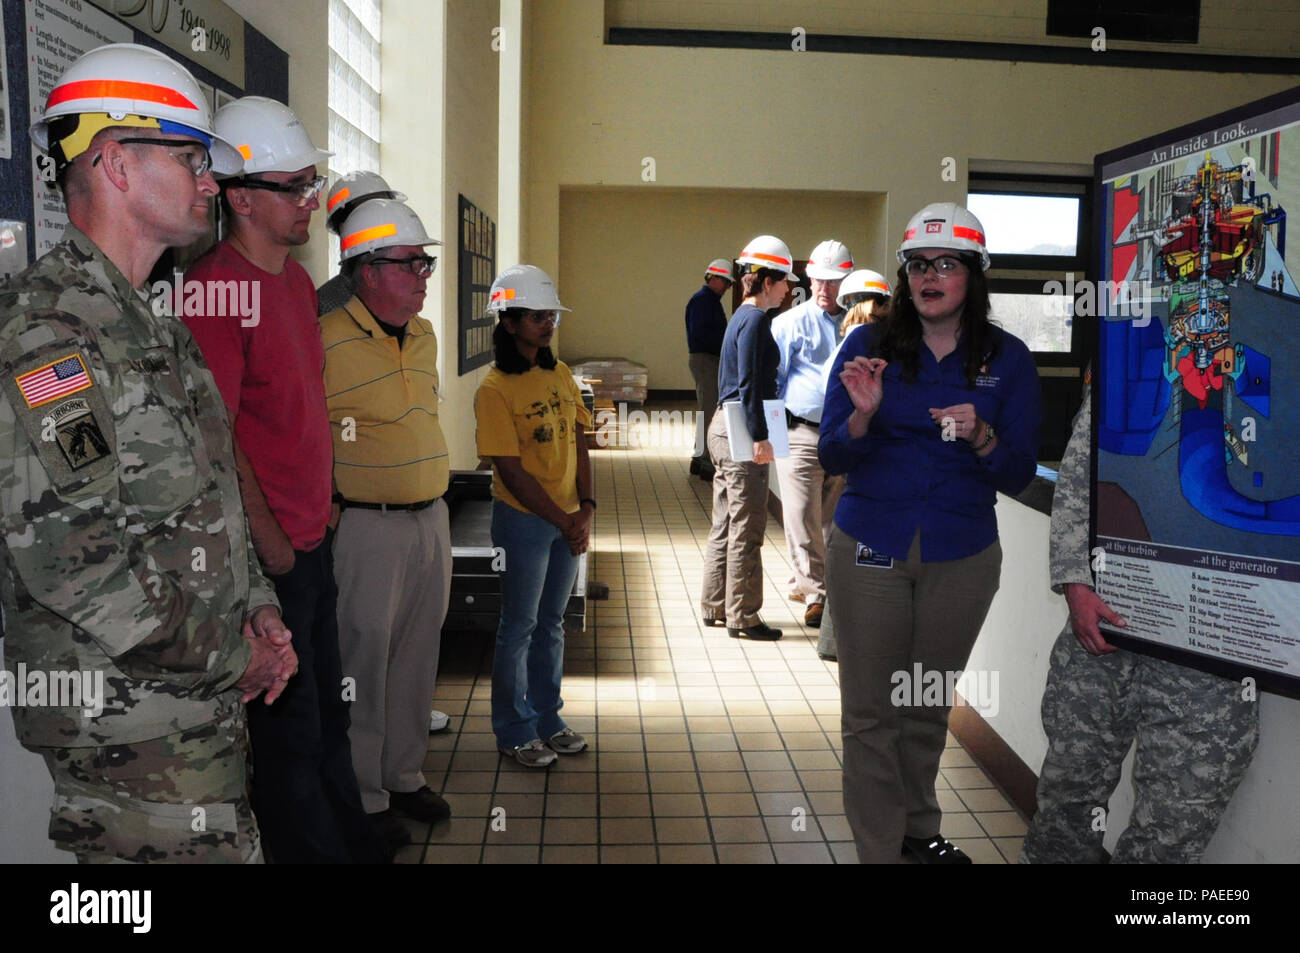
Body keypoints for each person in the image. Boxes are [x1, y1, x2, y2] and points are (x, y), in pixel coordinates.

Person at [0, 42, 296, 863]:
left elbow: (212, 500)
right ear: (116, 164)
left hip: (191, 705)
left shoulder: (157, 328)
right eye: (193, 158)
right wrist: (236, 650)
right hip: (128, 727)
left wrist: (259, 607)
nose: (212, 183)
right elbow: (74, 561)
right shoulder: (49, 332)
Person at [184, 96, 386, 863]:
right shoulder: (211, 291)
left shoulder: (298, 285)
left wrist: (325, 503)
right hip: (272, 562)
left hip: (311, 542)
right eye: (294, 186)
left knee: (328, 715)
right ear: (238, 197)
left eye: (311, 183)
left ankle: (352, 840)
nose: (311, 200)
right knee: (287, 743)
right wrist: (271, 545)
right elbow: (216, 436)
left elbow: (300, 410)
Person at [821, 203, 1040, 863]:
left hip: (962, 552)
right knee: (870, 713)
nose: (929, 276)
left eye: (946, 263)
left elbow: (1019, 471)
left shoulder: (1010, 359)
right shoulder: (866, 347)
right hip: (870, 546)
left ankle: (919, 831)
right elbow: (833, 453)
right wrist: (861, 418)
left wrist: (981, 436)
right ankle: (880, 851)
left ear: (974, 275)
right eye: (918, 264)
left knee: (923, 701)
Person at [1020, 393, 1259, 863]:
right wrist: (1074, 580)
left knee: (1176, 819)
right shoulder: (1130, 353)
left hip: (1213, 641)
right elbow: (1080, 471)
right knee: (1071, 786)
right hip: (1110, 615)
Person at [321, 199, 454, 842]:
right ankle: (365, 795)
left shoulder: (424, 335)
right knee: (362, 660)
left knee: (418, 654)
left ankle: (404, 776)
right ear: (368, 270)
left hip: (432, 517)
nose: (424, 274)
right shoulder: (325, 335)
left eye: (425, 263)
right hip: (366, 528)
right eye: (412, 263)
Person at [475, 265, 595, 768]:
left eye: (552, 316)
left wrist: (586, 509)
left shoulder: (560, 373)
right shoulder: (494, 389)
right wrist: (562, 519)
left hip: (568, 517)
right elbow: (511, 469)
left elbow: (582, 443)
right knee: (519, 625)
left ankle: (549, 718)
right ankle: (514, 728)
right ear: (509, 322)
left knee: (552, 623)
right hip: (523, 521)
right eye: (537, 316)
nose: (548, 324)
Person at [701, 235, 799, 641]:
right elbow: (751, 383)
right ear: (764, 279)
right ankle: (743, 615)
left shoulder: (741, 316)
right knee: (748, 525)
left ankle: (715, 605)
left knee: (725, 521)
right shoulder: (757, 320)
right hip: (742, 427)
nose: (789, 289)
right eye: (784, 281)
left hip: (723, 425)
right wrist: (761, 436)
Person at [771, 240, 854, 629]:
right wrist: (774, 441)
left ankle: (812, 584)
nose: (824, 289)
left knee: (831, 521)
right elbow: (773, 385)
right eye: (819, 280)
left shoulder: (858, 326)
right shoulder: (788, 323)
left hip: (843, 436)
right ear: (809, 278)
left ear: (846, 280)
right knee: (802, 518)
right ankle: (819, 597)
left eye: (833, 281)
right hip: (800, 434)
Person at [812, 268, 892, 661]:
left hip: (853, 462)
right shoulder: (865, 346)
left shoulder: (854, 343)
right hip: (857, 462)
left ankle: (833, 634)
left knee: (840, 537)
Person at [317, 170, 407, 317]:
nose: (384, 221)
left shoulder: (401, 293)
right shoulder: (326, 305)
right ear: (344, 226)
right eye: (370, 214)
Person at [685, 258, 733, 481]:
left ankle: (699, 458)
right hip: (706, 360)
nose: (727, 287)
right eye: (726, 282)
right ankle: (705, 461)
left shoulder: (707, 301)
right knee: (709, 410)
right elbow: (701, 335)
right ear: (713, 278)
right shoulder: (703, 301)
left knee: (707, 408)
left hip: (707, 359)